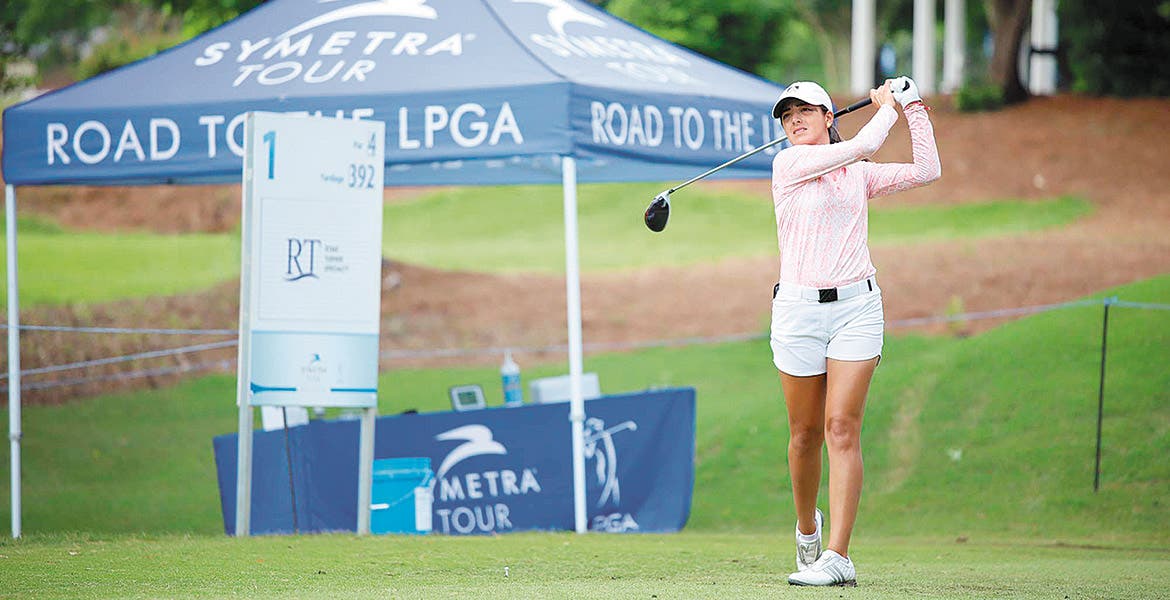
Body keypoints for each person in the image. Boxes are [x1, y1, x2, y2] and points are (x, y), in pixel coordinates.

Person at [768, 77, 941, 587]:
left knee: (841, 427)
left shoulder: (857, 175)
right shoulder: (787, 165)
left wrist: (912, 105)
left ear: (829, 118)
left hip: (856, 309)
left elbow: (928, 170)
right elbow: (864, 143)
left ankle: (839, 556)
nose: (794, 120)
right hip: (797, 312)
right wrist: (886, 106)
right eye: (787, 115)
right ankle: (807, 528)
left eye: (806, 111)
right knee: (803, 435)